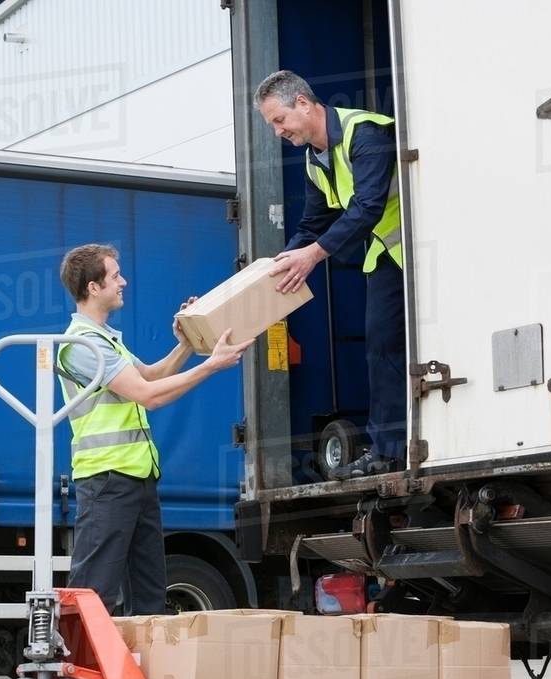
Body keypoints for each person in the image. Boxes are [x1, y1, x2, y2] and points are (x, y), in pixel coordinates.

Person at [55, 244, 251, 614]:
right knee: (94, 591)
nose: (123, 282)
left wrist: (188, 344)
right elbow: (147, 395)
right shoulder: (80, 345)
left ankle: (144, 671)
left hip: (136, 476)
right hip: (107, 478)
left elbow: (149, 375)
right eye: (115, 276)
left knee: (149, 591)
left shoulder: (104, 339)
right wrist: (211, 365)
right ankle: (81, 672)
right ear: (94, 287)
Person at [255, 69, 406, 480]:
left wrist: (313, 257)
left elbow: (368, 207)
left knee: (395, 345)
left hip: (419, 247)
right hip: (389, 253)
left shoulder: (366, 133)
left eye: (279, 120)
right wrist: (276, 267)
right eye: (273, 124)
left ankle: (396, 447)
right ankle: (390, 449)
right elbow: (312, 224)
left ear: (303, 103)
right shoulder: (314, 160)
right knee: (381, 347)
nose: (278, 131)